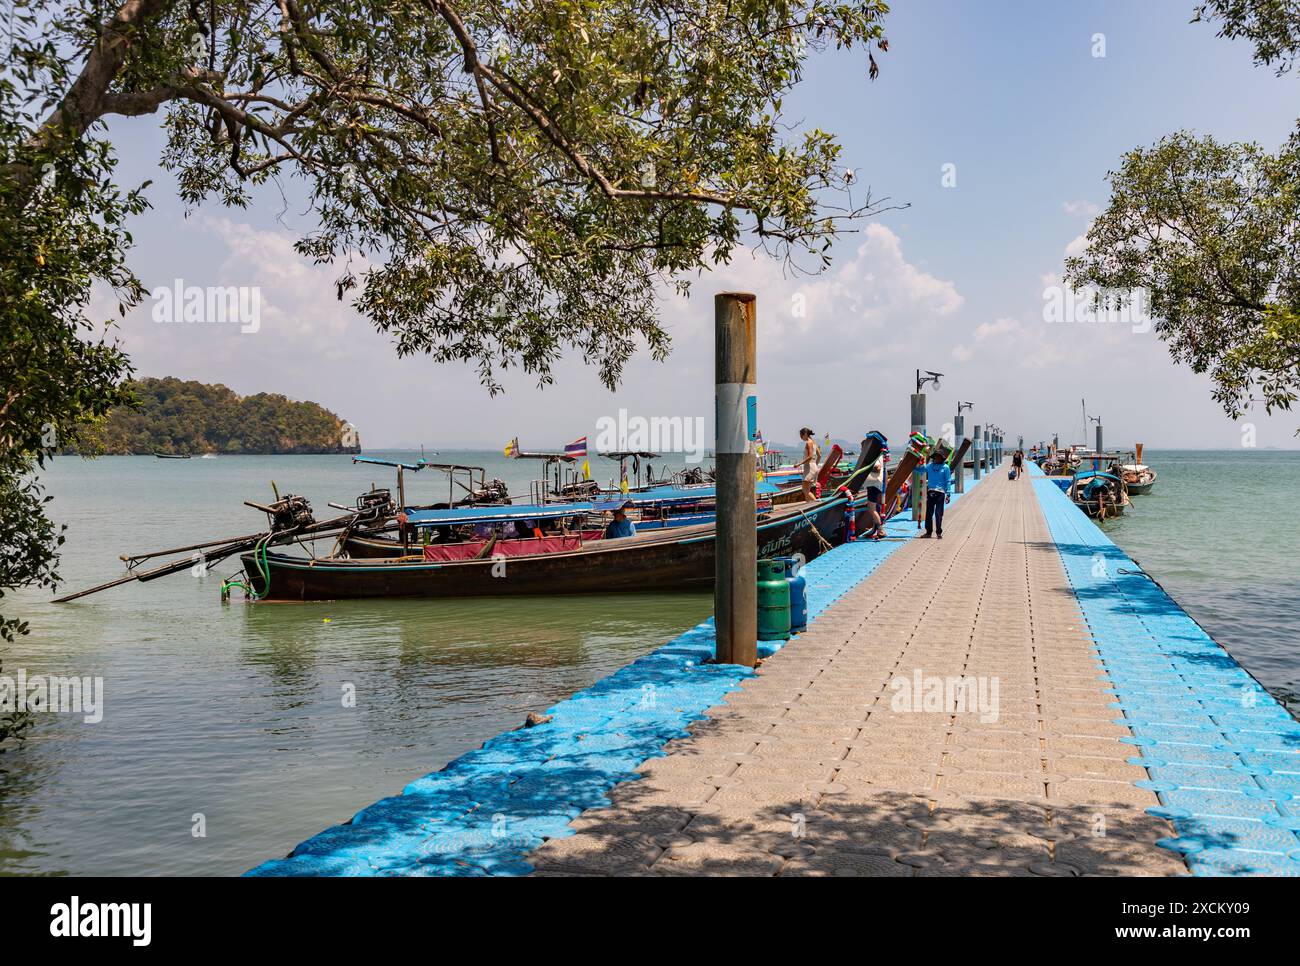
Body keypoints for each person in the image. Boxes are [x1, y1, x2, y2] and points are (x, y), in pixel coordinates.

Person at [922, 449, 952, 539]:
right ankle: (928, 532)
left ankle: (938, 532)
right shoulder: (930, 466)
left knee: (939, 513)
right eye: (935, 456)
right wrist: (913, 465)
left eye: (938, 456)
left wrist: (948, 494)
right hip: (931, 492)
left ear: (942, 458)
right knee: (928, 513)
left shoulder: (945, 467)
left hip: (940, 493)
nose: (936, 458)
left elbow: (948, 480)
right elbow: (921, 470)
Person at [794, 427, 821, 501]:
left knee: (805, 490)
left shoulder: (809, 443)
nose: (800, 437)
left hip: (809, 467)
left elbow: (810, 456)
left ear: (805, 434)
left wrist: (799, 464)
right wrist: (815, 465)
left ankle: (817, 503)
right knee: (807, 490)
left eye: (801, 435)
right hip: (813, 467)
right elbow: (819, 455)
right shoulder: (814, 442)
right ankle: (808, 505)